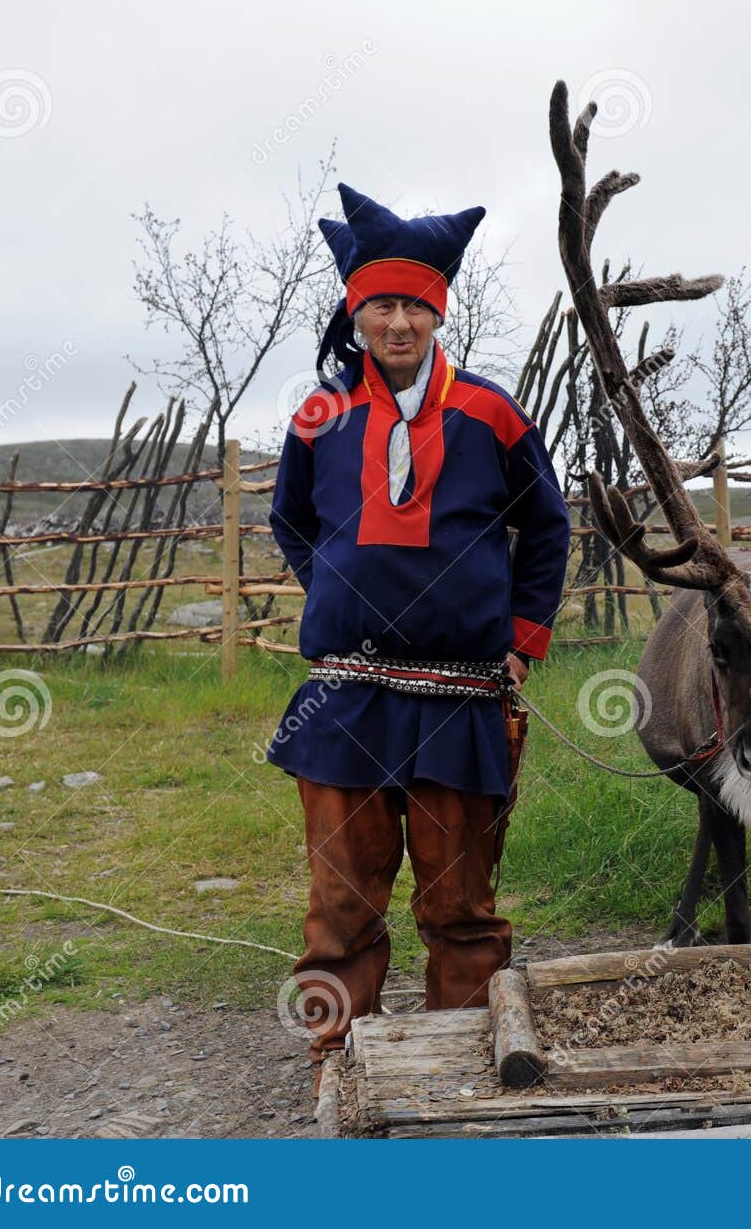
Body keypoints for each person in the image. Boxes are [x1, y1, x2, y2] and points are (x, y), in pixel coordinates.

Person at [264, 183, 571, 1089]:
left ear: (439, 312)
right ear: (356, 310)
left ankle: (458, 1061)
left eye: (415, 306)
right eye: (382, 305)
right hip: (346, 697)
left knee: (460, 901)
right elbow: (289, 520)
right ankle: (339, 1058)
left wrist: (520, 636)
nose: (398, 323)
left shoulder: (491, 412)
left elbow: (546, 526)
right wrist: (334, 591)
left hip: (460, 696)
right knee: (341, 901)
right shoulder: (320, 416)